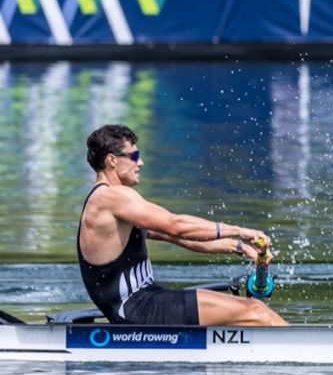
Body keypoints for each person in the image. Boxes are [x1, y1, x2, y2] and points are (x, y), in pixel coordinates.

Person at [78, 125, 285, 326]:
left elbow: (180, 238)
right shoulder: (111, 197)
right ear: (112, 160)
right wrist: (240, 231)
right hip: (137, 307)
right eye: (134, 156)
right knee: (255, 311)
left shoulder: (112, 205)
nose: (140, 162)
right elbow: (176, 225)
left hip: (142, 302)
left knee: (245, 315)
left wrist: (239, 247)